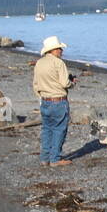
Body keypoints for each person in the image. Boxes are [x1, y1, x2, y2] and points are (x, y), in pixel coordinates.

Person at [33, 35, 76, 166]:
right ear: (54, 50)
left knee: (47, 129)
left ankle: (45, 158)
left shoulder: (39, 63)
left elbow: (35, 84)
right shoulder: (59, 63)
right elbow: (64, 82)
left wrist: (40, 99)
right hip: (58, 101)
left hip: (45, 100)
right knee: (59, 129)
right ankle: (55, 159)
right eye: (60, 49)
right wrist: (72, 83)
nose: (62, 51)